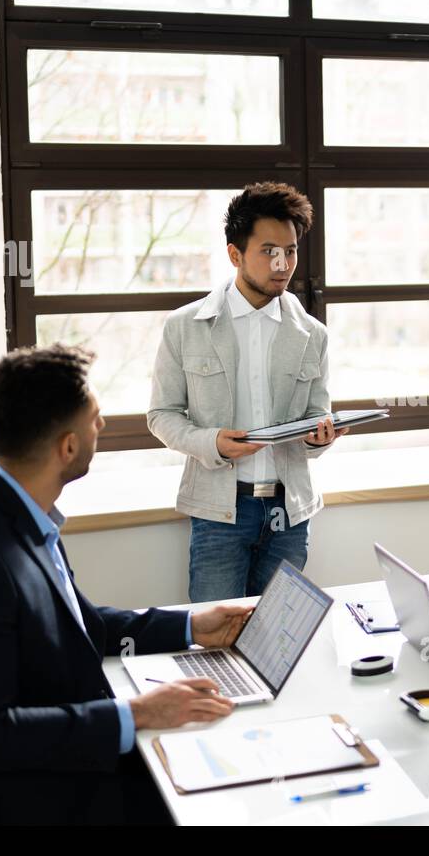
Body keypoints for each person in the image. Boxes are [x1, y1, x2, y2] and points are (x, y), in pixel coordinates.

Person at [0, 345, 253, 824]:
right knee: (222, 798)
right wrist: (137, 714)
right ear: (67, 446)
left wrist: (193, 625)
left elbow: (81, 625)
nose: (102, 427)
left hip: (67, 758)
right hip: (42, 796)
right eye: (95, 418)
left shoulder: (21, 514)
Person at [148, 182, 345, 602]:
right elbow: (162, 415)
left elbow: (316, 415)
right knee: (215, 639)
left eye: (291, 250)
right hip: (219, 511)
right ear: (235, 254)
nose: (283, 263)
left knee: (278, 641)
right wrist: (211, 442)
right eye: (269, 250)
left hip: (289, 513)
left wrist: (319, 438)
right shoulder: (185, 327)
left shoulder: (314, 334)